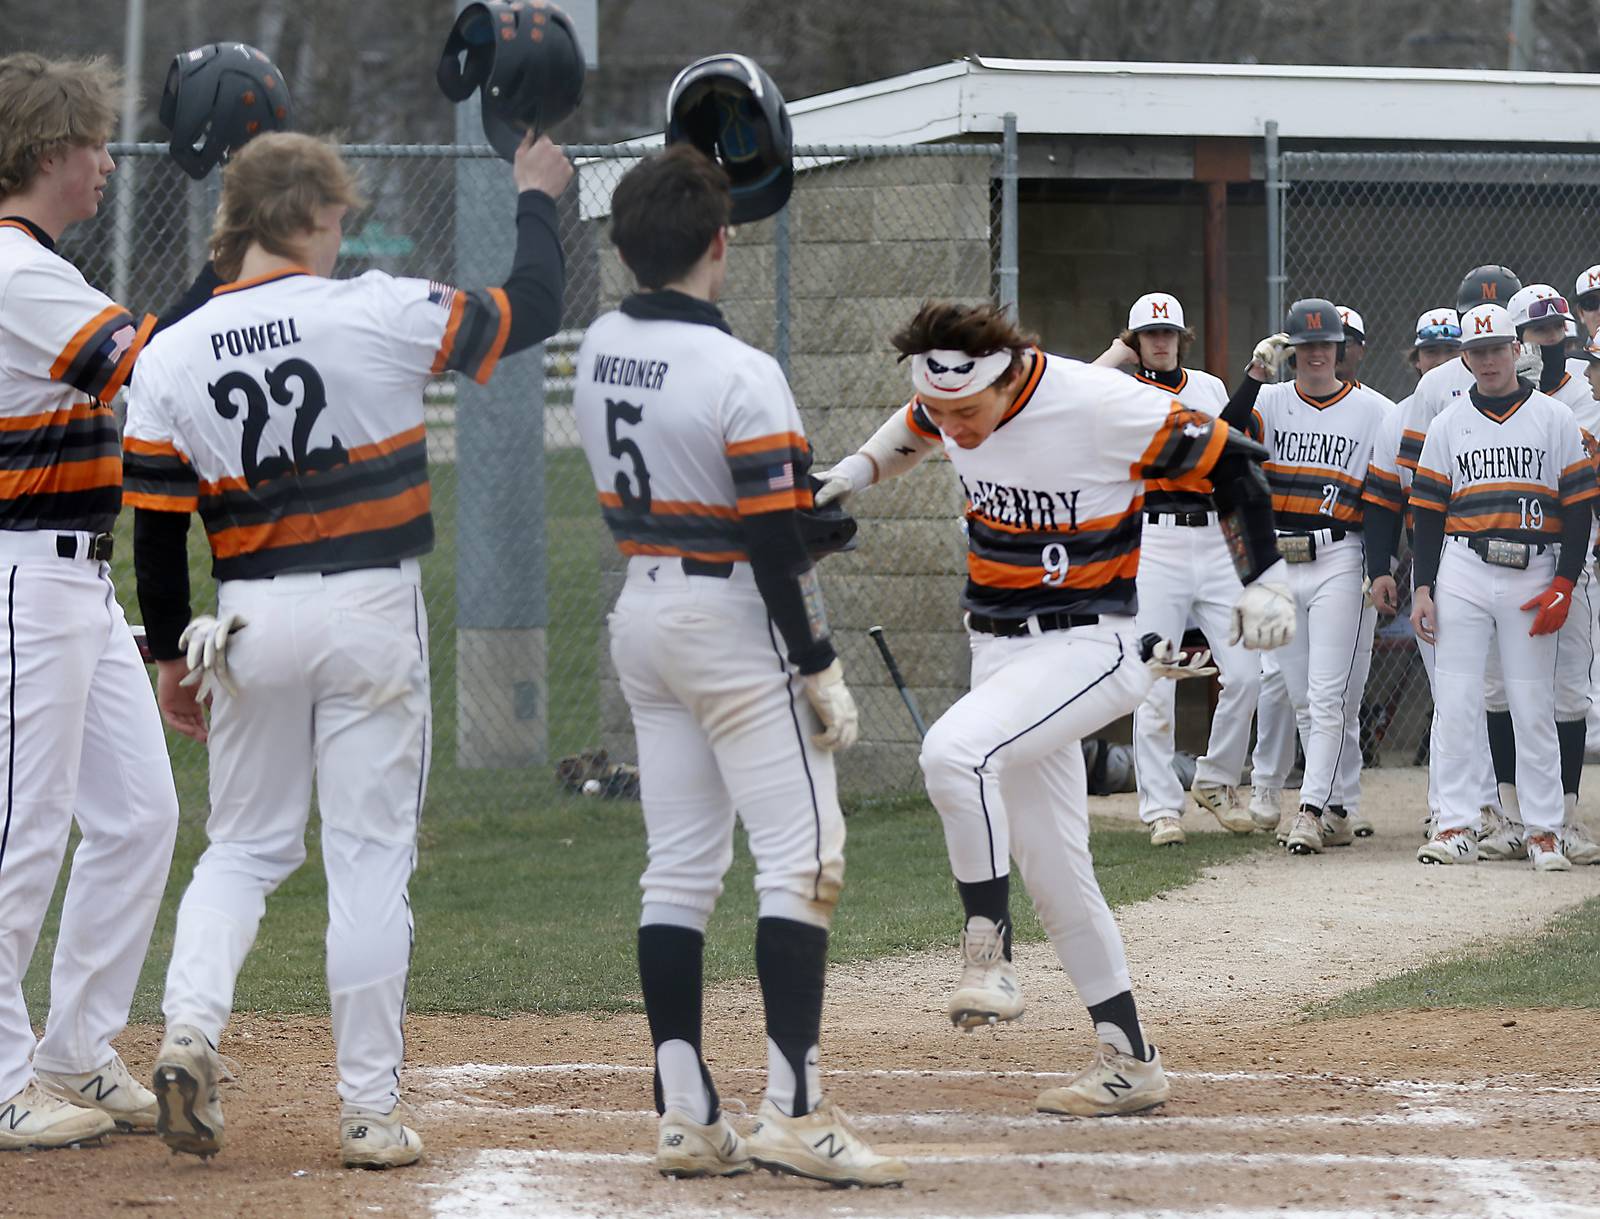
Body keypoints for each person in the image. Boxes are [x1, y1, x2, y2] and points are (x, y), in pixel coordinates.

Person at [121, 128, 574, 1167]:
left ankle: (191, 1029)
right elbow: (530, 311)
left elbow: (153, 522)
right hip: (370, 608)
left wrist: (165, 655)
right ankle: (369, 1111)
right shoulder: (376, 306)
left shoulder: (173, 349)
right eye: (333, 221)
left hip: (245, 619)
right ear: (311, 219)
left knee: (240, 849)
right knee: (368, 859)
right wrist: (537, 196)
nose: (338, 237)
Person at [816, 300, 1293, 1117]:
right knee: (1055, 872)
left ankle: (987, 956)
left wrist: (1263, 579)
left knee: (953, 753)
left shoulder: (1098, 401)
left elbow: (1233, 462)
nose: (954, 429)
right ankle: (1130, 1060)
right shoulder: (951, 404)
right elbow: (914, 425)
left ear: (1005, 379)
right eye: (943, 411)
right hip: (1001, 650)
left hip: (1096, 642)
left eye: (968, 412)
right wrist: (851, 474)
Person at [571, 145, 905, 1188]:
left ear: (624, 246)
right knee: (803, 858)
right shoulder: (741, 370)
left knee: (678, 868)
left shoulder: (593, 345)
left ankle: (684, 1113)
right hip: (729, 621)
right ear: (722, 244)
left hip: (644, 609)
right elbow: (772, 538)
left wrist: (797, 526)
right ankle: (794, 1112)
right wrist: (817, 661)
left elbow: (740, 506)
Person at [0, 51, 182, 1152]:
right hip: (23, 572)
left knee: (139, 816)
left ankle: (73, 1044)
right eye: (93, 144)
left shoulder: (40, 266)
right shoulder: (17, 271)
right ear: (44, 151)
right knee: (20, 832)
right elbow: (152, 369)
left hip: (76, 577)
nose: (107, 163)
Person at [1409, 303, 1597, 871]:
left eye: (1497, 348)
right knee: (1458, 699)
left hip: (1535, 570)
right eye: (1477, 350)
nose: (1488, 359)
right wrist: (1423, 588)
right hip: (1463, 566)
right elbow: (1428, 511)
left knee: (1531, 699)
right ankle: (1454, 824)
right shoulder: (1447, 423)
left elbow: (1579, 505)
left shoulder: (1554, 418)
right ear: (1464, 358)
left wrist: (1566, 579)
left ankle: (1544, 830)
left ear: (1518, 349)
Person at [1091, 293, 1260, 847]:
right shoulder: (1118, 385)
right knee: (1155, 677)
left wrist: (1253, 379)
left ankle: (1215, 780)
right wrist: (1118, 353)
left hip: (1212, 538)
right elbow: (1073, 388)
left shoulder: (1209, 386)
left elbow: (1230, 441)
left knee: (1246, 671)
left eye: (1168, 332)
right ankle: (1161, 808)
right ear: (1133, 339)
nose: (1160, 341)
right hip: (1155, 536)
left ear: (1181, 337)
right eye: (1148, 333)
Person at [1235, 299, 1394, 855]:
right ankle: (1334, 806)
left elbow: (1384, 497)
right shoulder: (1272, 400)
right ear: (1292, 351)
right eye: (1307, 344)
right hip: (1279, 560)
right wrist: (1254, 378)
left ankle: (1309, 809)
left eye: (1327, 342)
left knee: (1328, 697)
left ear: (1342, 347)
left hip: (1338, 558)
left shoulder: (1375, 410)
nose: (1319, 352)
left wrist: (1380, 568)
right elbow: (1222, 442)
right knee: (1303, 697)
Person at [1366, 308, 1501, 842]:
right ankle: (1456, 809)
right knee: (1455, 691)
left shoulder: (1507, 407)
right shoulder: (1402, 416)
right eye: (1431, 350)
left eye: (1450, 348)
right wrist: (1383, 568)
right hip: (1437, 563)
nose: (1440, 359)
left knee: (1500, 689)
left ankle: (1492, 805)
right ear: (1415, 357)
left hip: (1498, 564)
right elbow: (1383, 500)